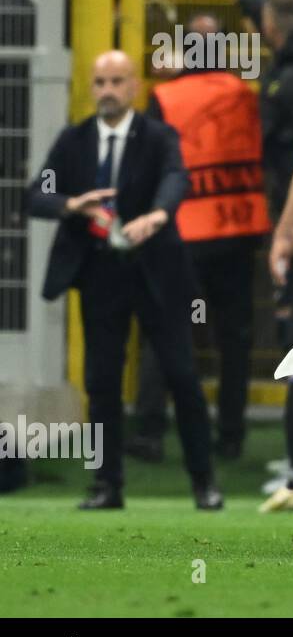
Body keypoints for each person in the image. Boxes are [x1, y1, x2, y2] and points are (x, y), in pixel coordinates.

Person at [25, 51, 223, 510]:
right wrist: (74, 206)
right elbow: (38, 194)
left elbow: (177, 177)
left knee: (181, 375)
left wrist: (155, 216)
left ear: (133, 85)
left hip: (157, 271)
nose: (107, 91)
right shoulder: (73, 141)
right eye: (99, 82)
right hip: (99, 274)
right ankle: (106, 485)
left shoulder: (157, 136)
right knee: (101, 380)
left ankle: (205, 484)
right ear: (91, 87)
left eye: (116, 81)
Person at [141, 24, 272, 461]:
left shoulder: (165, 98)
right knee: (234, 338)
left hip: (182, 232)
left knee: (166, 330)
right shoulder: (244, 94)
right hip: (236, 231)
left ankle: (150, 432)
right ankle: (230, 435)